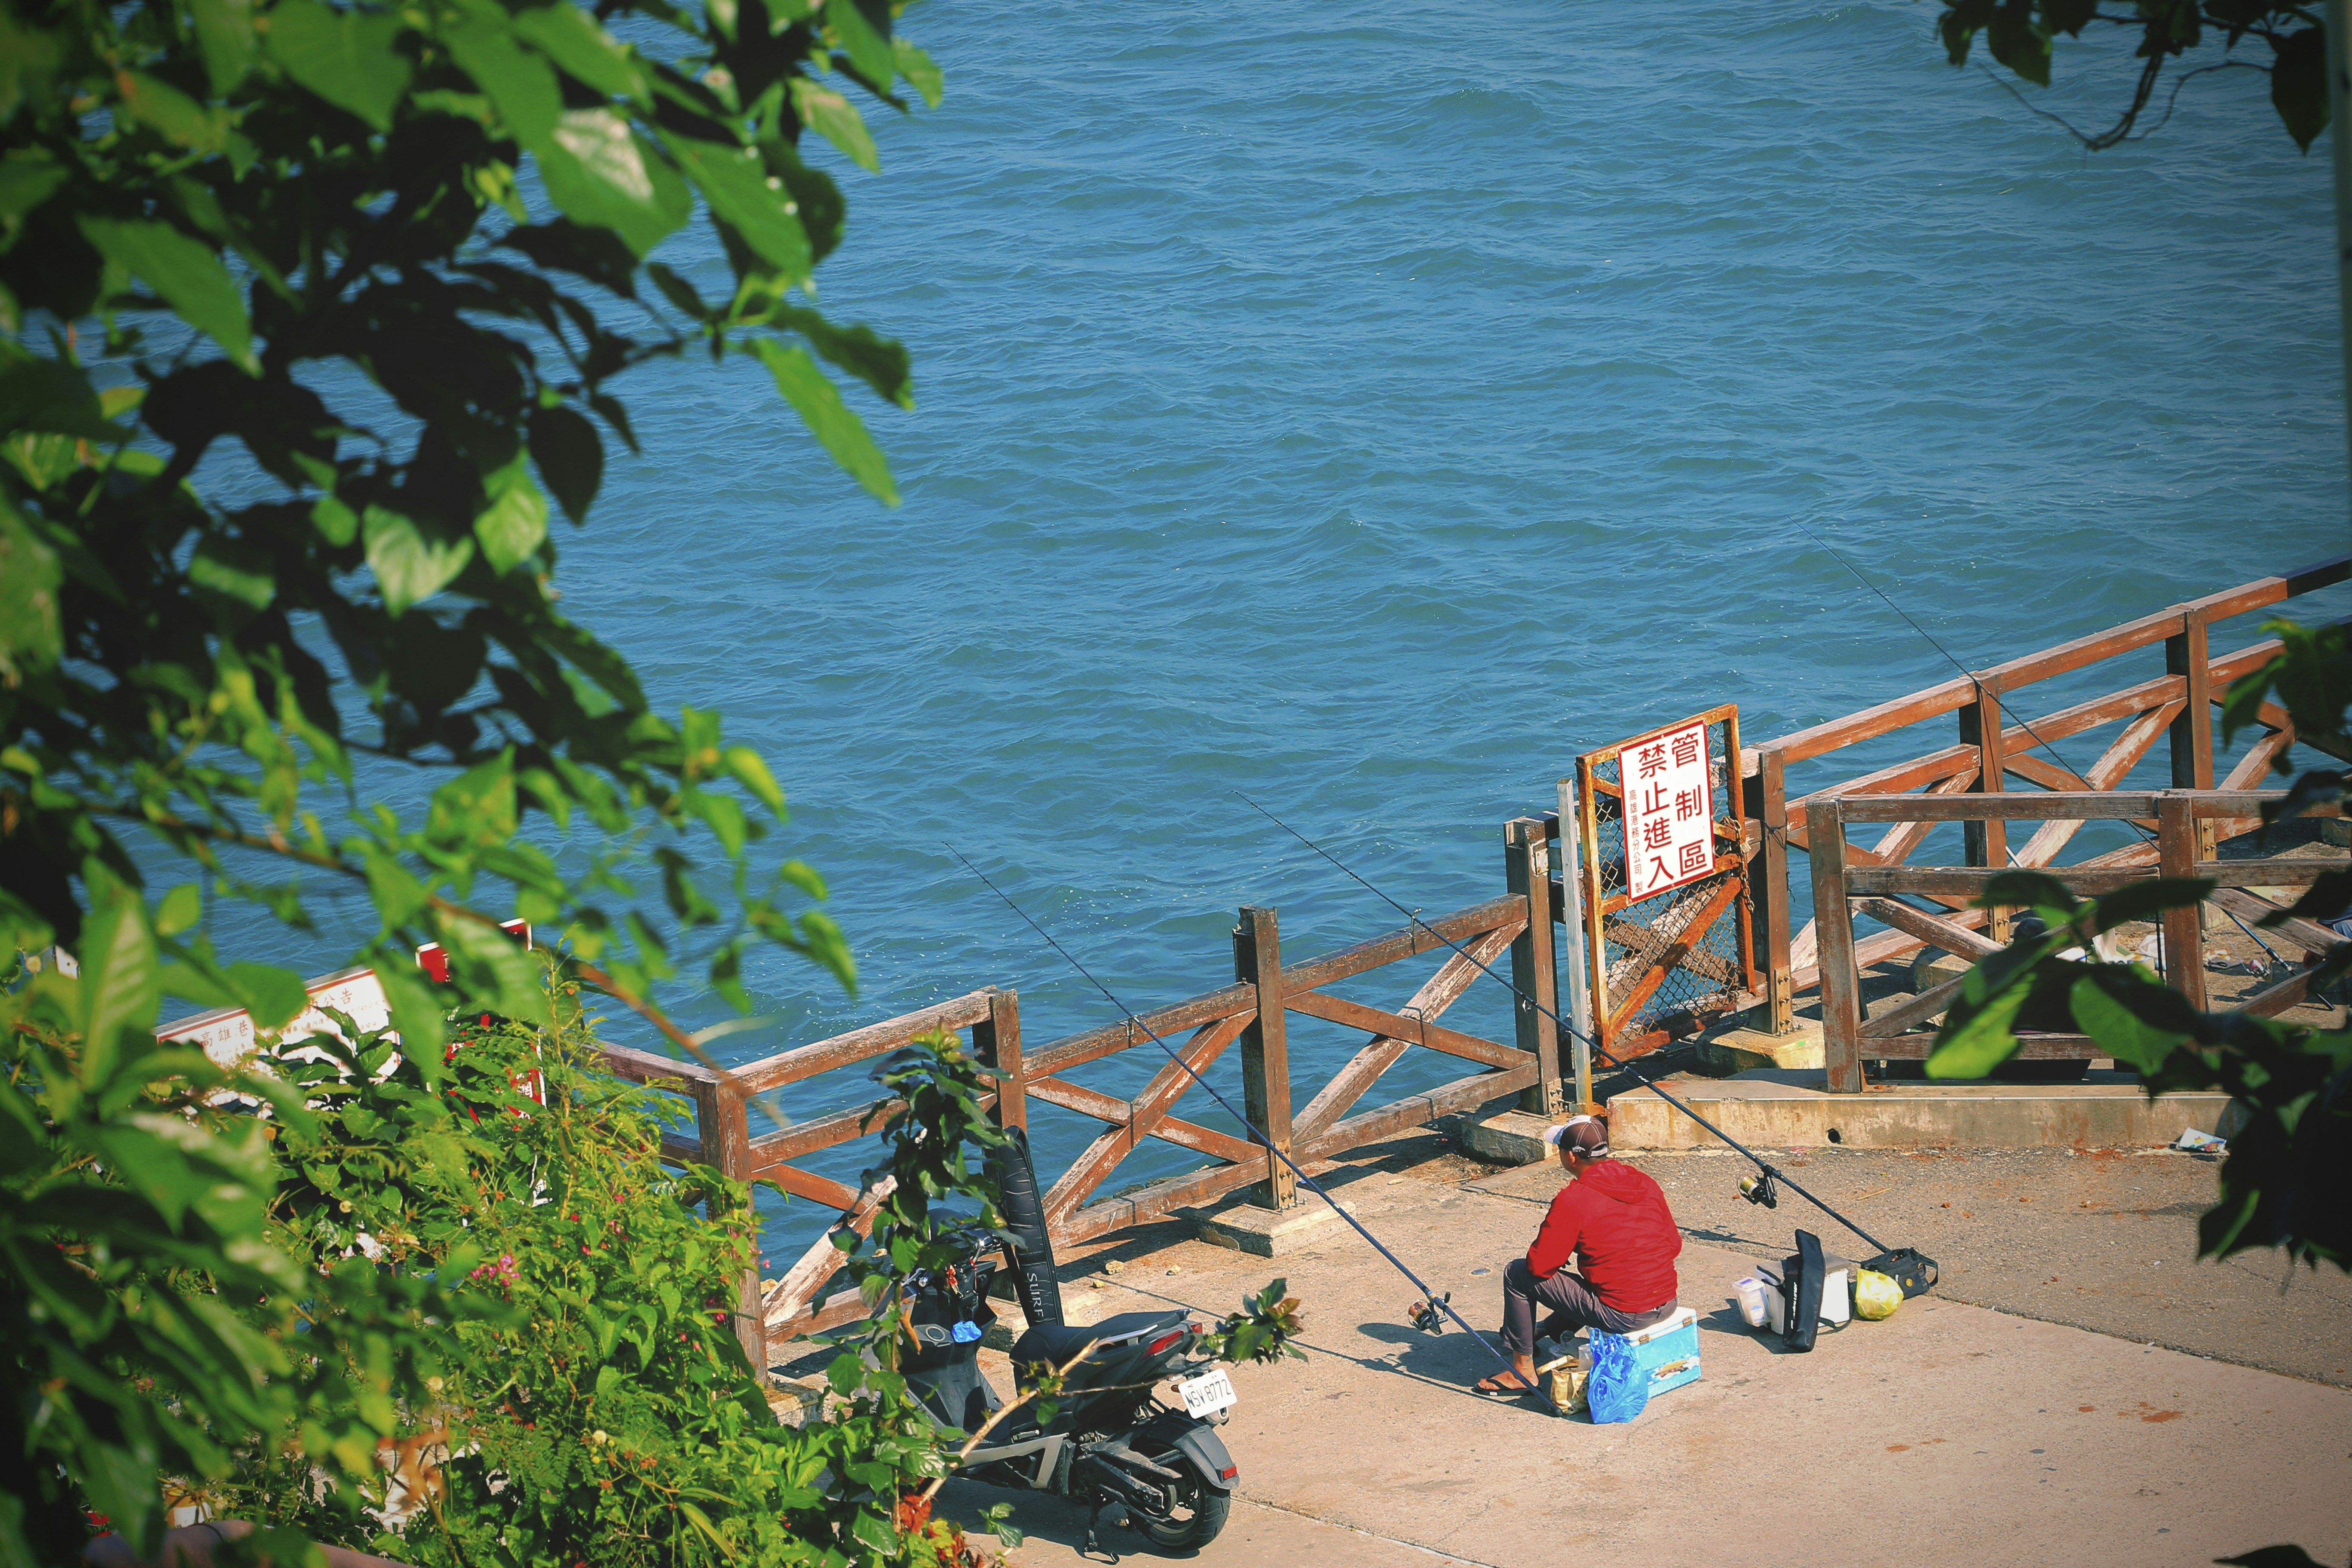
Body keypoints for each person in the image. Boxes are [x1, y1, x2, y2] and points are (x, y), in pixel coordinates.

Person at [1473, 1114, 1680, 1396]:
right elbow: (1673, 1246)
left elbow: (1540, 1266)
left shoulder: (1573, 1200)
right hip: (1667, 1301)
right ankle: (1546, 1329)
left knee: (1517, 1273)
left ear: (1571, 1157)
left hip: (1625, 1314)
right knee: (1602, 1274)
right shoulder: (1645, 1182)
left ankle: (1521, 1372)